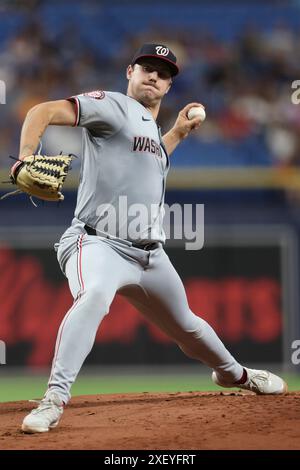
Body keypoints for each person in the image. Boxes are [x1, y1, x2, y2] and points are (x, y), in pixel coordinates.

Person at [19, 44, 287, 434]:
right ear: (130, 72)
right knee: (94, 296)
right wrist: (25, 156)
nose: (154, 76)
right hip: (98, 242)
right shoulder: (111, 106)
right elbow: (39, 112)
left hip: (149, 256)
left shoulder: (149, 129)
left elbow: (150, 157)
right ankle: (53, 400)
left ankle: (236, 375)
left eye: (163, 74)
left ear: (168, 86)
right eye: (146, 68)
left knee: (189, 328)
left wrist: (177, 132)